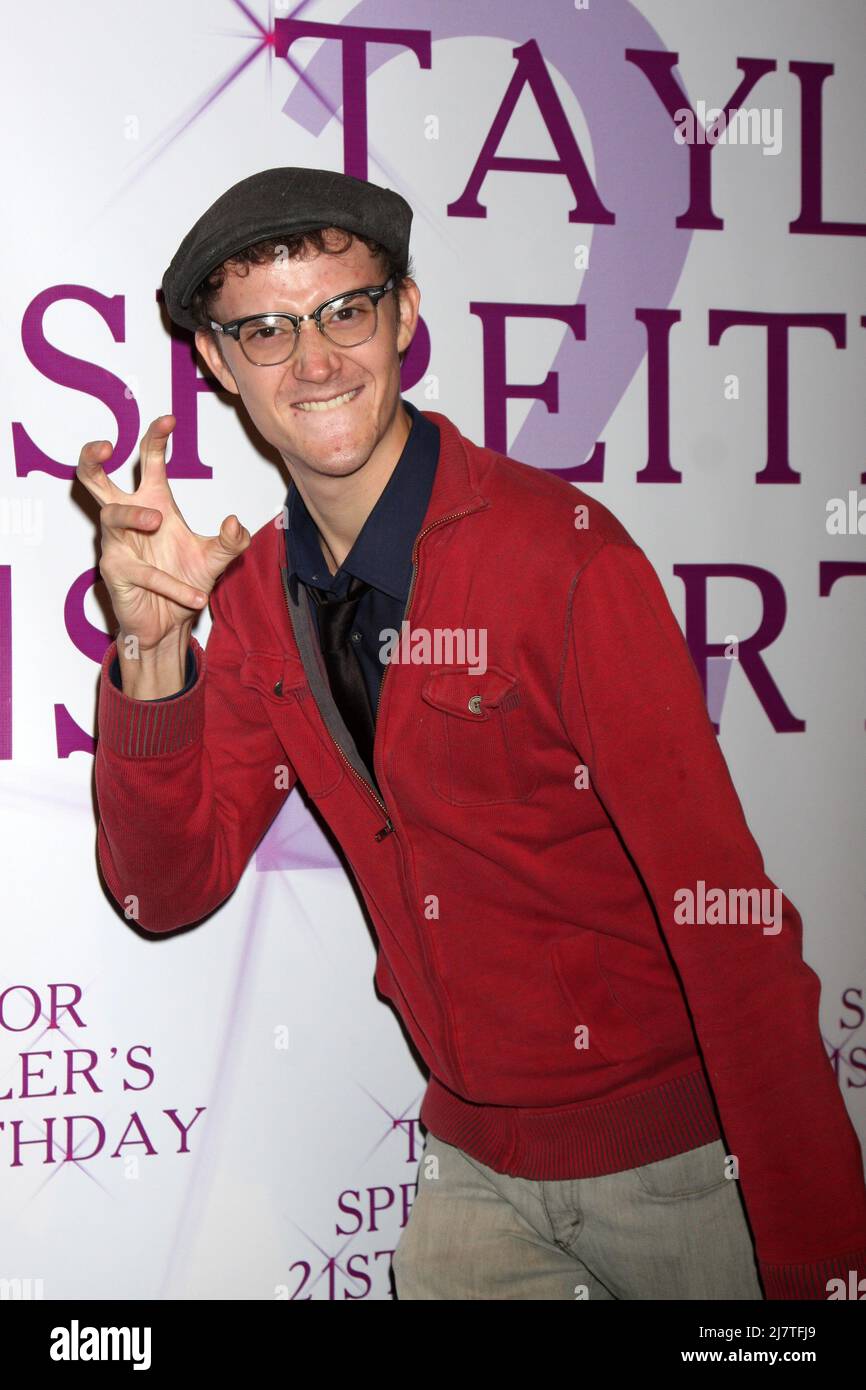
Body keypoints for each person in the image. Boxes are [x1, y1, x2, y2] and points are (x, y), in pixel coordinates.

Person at [79, 166, 866, 1301]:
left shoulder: (564, 557)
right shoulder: (250, 595)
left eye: (344, 311)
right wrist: (155, 653)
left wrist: (821, 1268)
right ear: (216, 361)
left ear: (404, 314)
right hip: (472, 1181)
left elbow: (728, 922)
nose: (311, 363)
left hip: (687, 1173)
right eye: (264, 330)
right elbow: (167, 890)